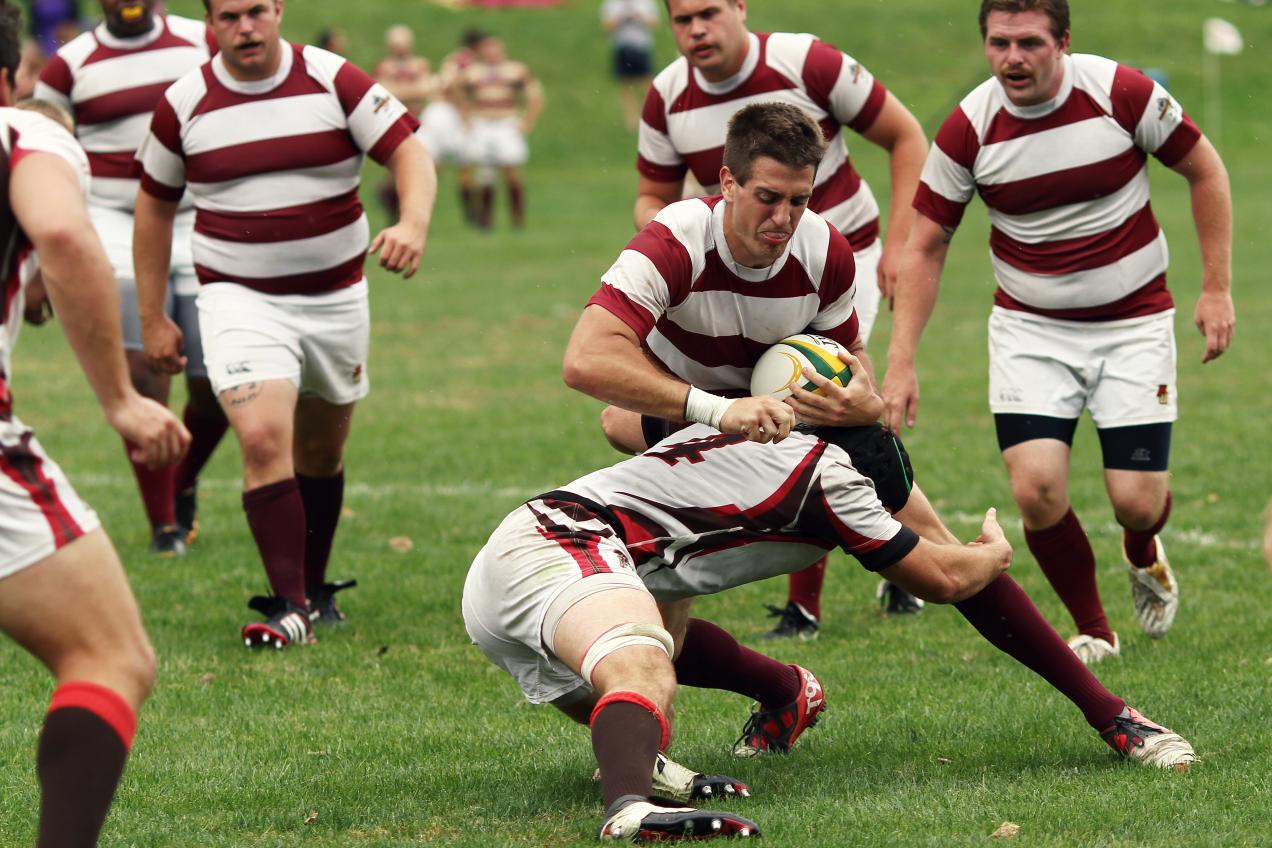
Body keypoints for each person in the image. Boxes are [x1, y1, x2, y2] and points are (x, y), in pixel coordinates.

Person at [464, 423, 1196, 837]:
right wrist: (994, 555)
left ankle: (780, 694)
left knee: (648, 671)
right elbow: (947, 581)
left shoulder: (740, 426)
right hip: (563, 546)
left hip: (513, 565)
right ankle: (631, 808)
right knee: (643, 670)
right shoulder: (832, 475)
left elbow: (622, 423)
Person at [883, 0, 1235, 665]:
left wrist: (1215, 287)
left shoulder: (1121, 93)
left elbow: (1206, 169)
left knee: (1136, 502)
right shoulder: (969, 129)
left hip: (1135, 324)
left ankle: (1141, 548)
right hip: (1031, 331)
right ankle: (1095, 629)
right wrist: (901, 361)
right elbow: (925, 245)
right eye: (999, 43)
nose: (1012, 57)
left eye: (1029, 43)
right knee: (1035, 490)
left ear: (1063, 43)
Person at [134, 0, 437, 648]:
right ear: (211, 23)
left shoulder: (335, 79)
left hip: (335, 298)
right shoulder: (183, 104)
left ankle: (315, 584)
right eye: (227, 17)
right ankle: (290, 607)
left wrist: (412, 223)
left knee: (321, 451)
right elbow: (154, 210)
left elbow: (410, 152)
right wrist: (152, 314)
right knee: (262, 437)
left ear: (278, 11)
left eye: (255, 12)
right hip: (236, 297)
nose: (244, 28)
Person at [627, 0, 932, 634]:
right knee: (773, 407)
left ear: (741, 7)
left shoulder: (809, 62)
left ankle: (894, 562)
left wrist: (900, 243)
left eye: (709, 12)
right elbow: (653, 194)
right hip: (736, 271)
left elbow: (905, 136)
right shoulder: (666, 97)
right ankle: (891, 563)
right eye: (681, 19)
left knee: (822, 400)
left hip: (837, 266)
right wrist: (669, 252)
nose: (696, 30)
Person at [571, 99, 918, 642]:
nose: (783, 218)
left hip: (779, 422)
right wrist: (720, 410)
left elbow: (852, 359)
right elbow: (584, 361)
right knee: (621, 428)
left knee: (947, 559)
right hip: (707, 415)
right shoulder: (676, 237)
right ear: (727, 182)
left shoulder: (825, 250)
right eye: (768, 198)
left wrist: (869, 404)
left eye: (798, 201)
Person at [0, 2, 190, 843]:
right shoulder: (23, 134)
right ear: (11, 80)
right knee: (111, 657)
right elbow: (67, 239)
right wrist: (119, 397)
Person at [34, 0, 226, 557]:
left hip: (196, 215)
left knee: (215, 382)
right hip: (113, 219)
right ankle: (164, 522)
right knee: (146, 372)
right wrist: (41, 259)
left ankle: (182, 477)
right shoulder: (68, 66)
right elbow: (41, 155)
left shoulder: (202, 41)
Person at [456, 33, 543, 229]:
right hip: (482, 122)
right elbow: (458, 93)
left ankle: (517, 219)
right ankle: (485, 219)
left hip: (506, 122)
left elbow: (535, 96)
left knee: (511, 169)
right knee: (485, 172)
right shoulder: (473, 72)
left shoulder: (515, 70)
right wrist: (465, 117)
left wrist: (527, 122)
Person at [417, 29, 481, 224]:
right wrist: (462, 106)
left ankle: (419, 207)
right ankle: (470, 213)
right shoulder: (465, 60)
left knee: (439, 164)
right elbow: (451, 85)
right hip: (446, 114)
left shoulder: (455, 58)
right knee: (461, 162)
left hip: (437, 112)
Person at [600, 0, 658, 131]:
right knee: (625, 85)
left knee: (647, 83)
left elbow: (653, 23)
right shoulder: (612, 4)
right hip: (621, 47)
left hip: (641, 46)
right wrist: (621, 17)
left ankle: (652, 115)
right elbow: (606, 26)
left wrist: (638, 16)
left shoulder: (645, 2)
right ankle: (631, 119)